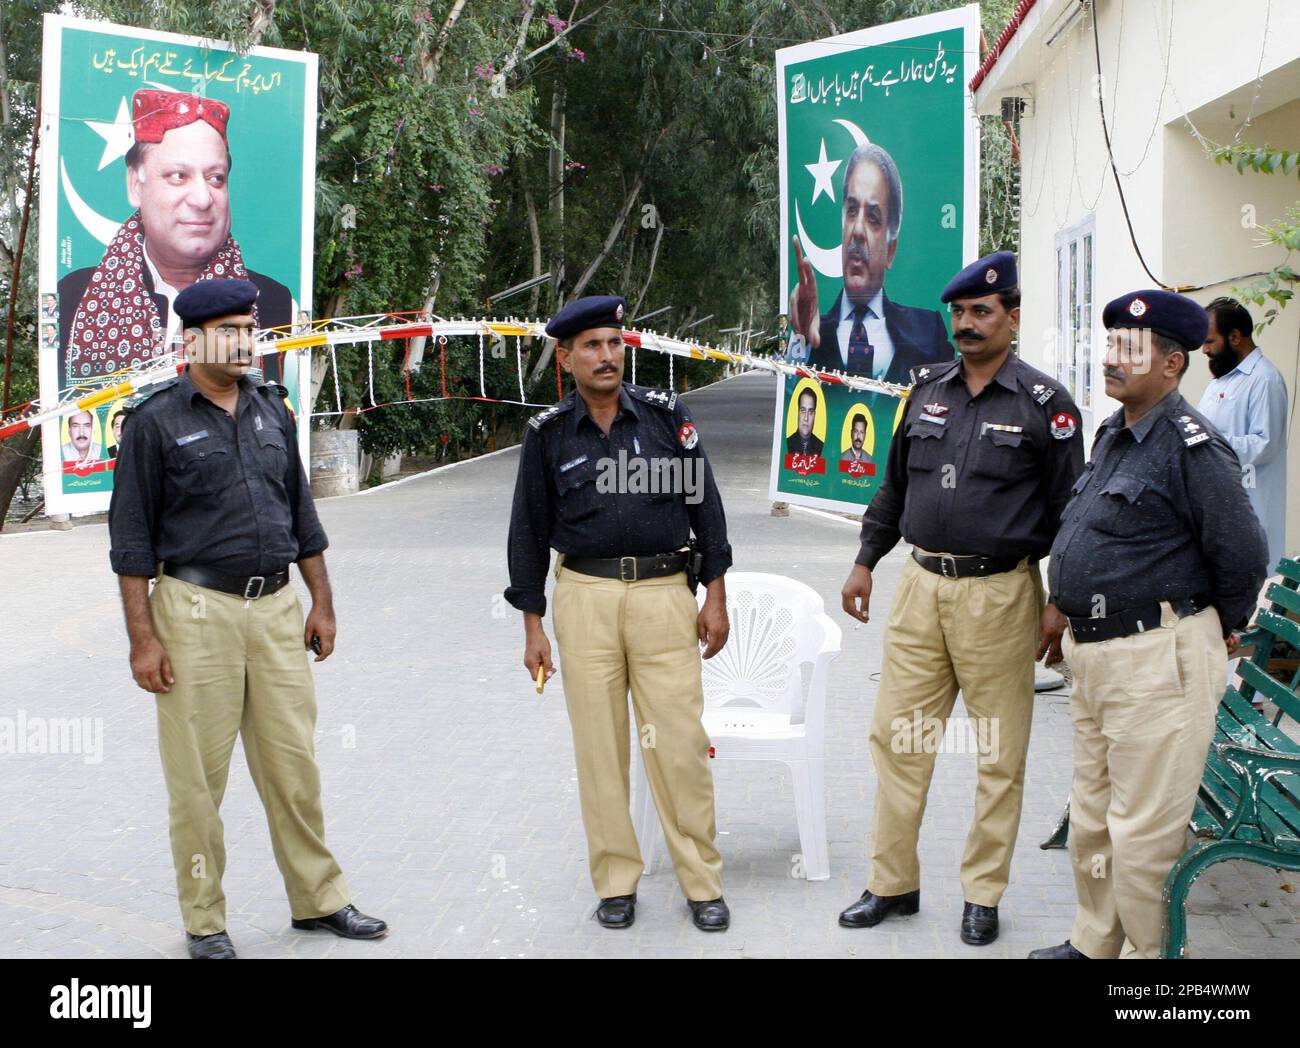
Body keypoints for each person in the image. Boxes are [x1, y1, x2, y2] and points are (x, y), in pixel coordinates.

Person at [108, 278, 385, 960]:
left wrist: (323, 601)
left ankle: (318, 900)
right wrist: (143, 641)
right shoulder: (153, 422)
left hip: (278, 612)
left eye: (249, 328)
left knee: (295, 768)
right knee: (198, 784)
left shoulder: (271, 411)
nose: (244, 342)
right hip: (195, 614)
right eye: (229, 330)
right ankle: (205, 922)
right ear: (192, 340)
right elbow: (131, 544)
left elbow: (303, 517)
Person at [838, 251, 1084, 945]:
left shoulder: (1046, 406)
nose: (967, 324)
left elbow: (1072, 514)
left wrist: (1058, 600)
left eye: (982, 312)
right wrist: (865, 561)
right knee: (898, 740)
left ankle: (983, 894)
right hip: (918, 590)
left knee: (999, 750)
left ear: (1012, 317)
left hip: (1000, 595)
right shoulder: (926, 390)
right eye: (959, 313)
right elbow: (894, 486)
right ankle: (893, 884)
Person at [1033, 290, 1268, 960]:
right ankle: (1095, 941)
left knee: (1142, 840)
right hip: (1097, 657)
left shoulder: (1192, 447)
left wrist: (1214, 626)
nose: (1112, 359)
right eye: (1110, 345)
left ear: (1171, 365)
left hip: (1156, 659)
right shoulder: (1114, 432)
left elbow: (1242, 552)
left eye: (1130, 350)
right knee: (1095, 820)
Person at [505, 294, 734, 932]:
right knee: (600, 750)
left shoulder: (666, 420)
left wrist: (715, 592)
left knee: (681, 746)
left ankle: (702, 881)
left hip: (666, 597)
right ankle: (615, 881)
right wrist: (533, 624)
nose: (606, 356)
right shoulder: (548, 435)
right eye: (592, 346)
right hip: (586, 601)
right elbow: (527, 531)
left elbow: (705, 507)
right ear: (566, 356)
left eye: (614, 342)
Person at [58, 89, 292, 387]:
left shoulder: (274, 302)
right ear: (135, 185)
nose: (202, 198)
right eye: (178, 176)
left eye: (216, 178)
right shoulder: (73, 298)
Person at [788, 142, 953, 383]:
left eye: (873, 218)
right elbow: (794, 403)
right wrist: (800, 337)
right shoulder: (813, 330)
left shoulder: (927, 331)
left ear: (891, 250)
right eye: (852, 211)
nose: (857, 231)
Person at [1197, 297, 1289, 570]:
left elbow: (1265, 444)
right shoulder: (1221, 381)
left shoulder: (1264, 379)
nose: (1204, 349)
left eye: (1210, 341)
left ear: (1235, 337)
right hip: (1220, 512)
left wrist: (1207, 443)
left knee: (1247, 592)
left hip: (1252, 510)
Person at [786, 387, 825, 457]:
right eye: (803, 410)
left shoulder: (821, 448)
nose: (806, 418)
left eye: (810, 412)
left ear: (814, 415)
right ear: (798, 413)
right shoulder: (787, 444)